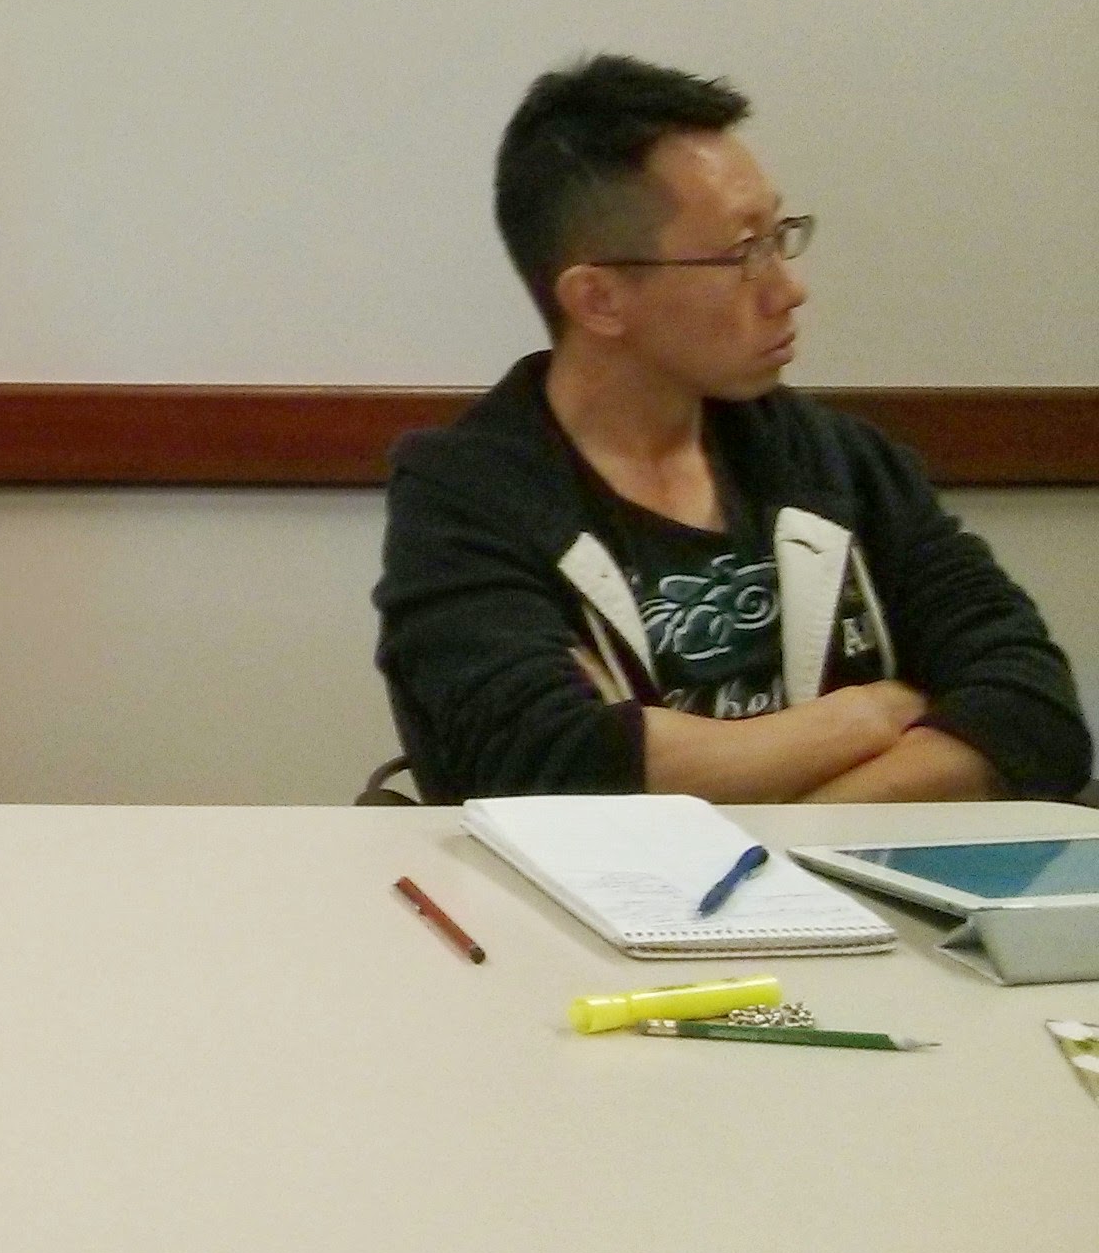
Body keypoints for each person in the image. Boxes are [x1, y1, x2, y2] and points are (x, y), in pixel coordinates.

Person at [375, 54, 1086, 804]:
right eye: (744, 252)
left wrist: (799, 839)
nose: (788, 288)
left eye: (779, 236)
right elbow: (545, 766)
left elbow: (1032, 708)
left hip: (864, 906)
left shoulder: (835, 461)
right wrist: (870, 713)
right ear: (601, 299)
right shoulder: (466, 495)